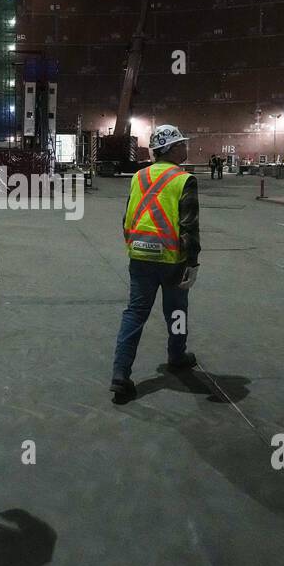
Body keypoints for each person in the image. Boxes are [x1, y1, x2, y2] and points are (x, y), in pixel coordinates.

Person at [109, 124, 201, 403]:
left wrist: (134, 245)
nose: (186, 147)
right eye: (182, 144)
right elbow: (189, 227)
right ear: (171, 148)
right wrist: (192, 263)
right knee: (176, 312)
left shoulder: (138, 176)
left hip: (139, 257)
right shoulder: (184, 179)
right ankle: (176, 356)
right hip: (172, 259)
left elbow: (127, 218)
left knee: (135, 314)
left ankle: (120, 375)